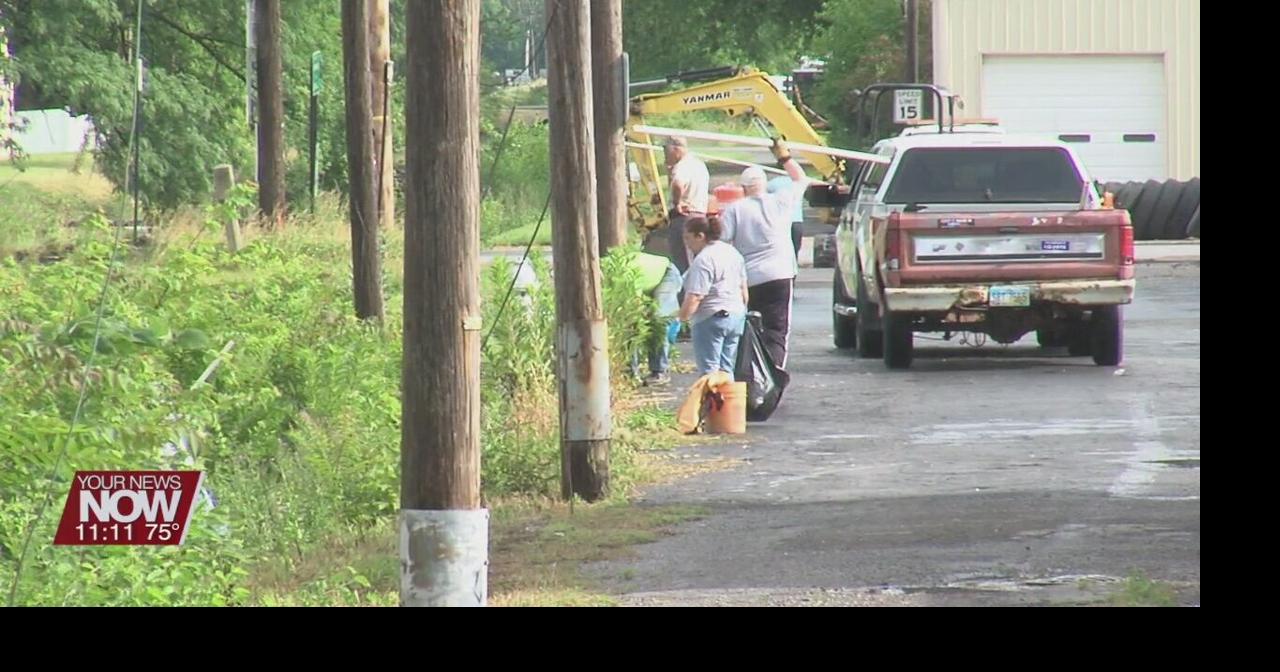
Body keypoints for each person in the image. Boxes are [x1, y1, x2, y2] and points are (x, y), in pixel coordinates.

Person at [718, 138, 806, 369]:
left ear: (743, 188)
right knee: (778, 330)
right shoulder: (782, 201)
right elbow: (800, 179)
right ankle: (774, 373)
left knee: (750, 327)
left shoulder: (734, 210)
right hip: (780, 275)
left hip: (749, 279)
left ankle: (751, 371)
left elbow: (723, 242)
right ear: (765, 185)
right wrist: (784, 157)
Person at [678, 216, 748, 376]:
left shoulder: (703, 259)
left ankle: (713, 401)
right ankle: (729, 400)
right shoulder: (732, 252)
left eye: (688, 238)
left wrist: (680, 319)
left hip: (711, 317)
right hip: (736, 315)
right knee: (726, 369)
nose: (686, 244)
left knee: (710, 371)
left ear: (700, 236)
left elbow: (696, 296)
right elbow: (743, 289)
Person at [631, 251, 683, 385]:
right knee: (633, 326)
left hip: (667, 274)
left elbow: (634, 309)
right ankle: (631, 373)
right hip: (650, 280)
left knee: (658, 321)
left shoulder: (628, 276)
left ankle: (660, 371)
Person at [661, 136, 710, 276]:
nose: (664, 154)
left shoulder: (683, 166)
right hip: (700, 216)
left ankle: (687, 295)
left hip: (684, 218)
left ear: (676, 149)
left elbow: (678, 183)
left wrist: (677, 203)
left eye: (666, 150)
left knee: (683, 265)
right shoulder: (699, 165)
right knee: (698, 262)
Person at [767, 173, 806, 258]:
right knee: (795, 248)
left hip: (781, 221)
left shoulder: (772, 183)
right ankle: (794, 267)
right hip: (797, 221)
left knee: (781, 249)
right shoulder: (800, 183)